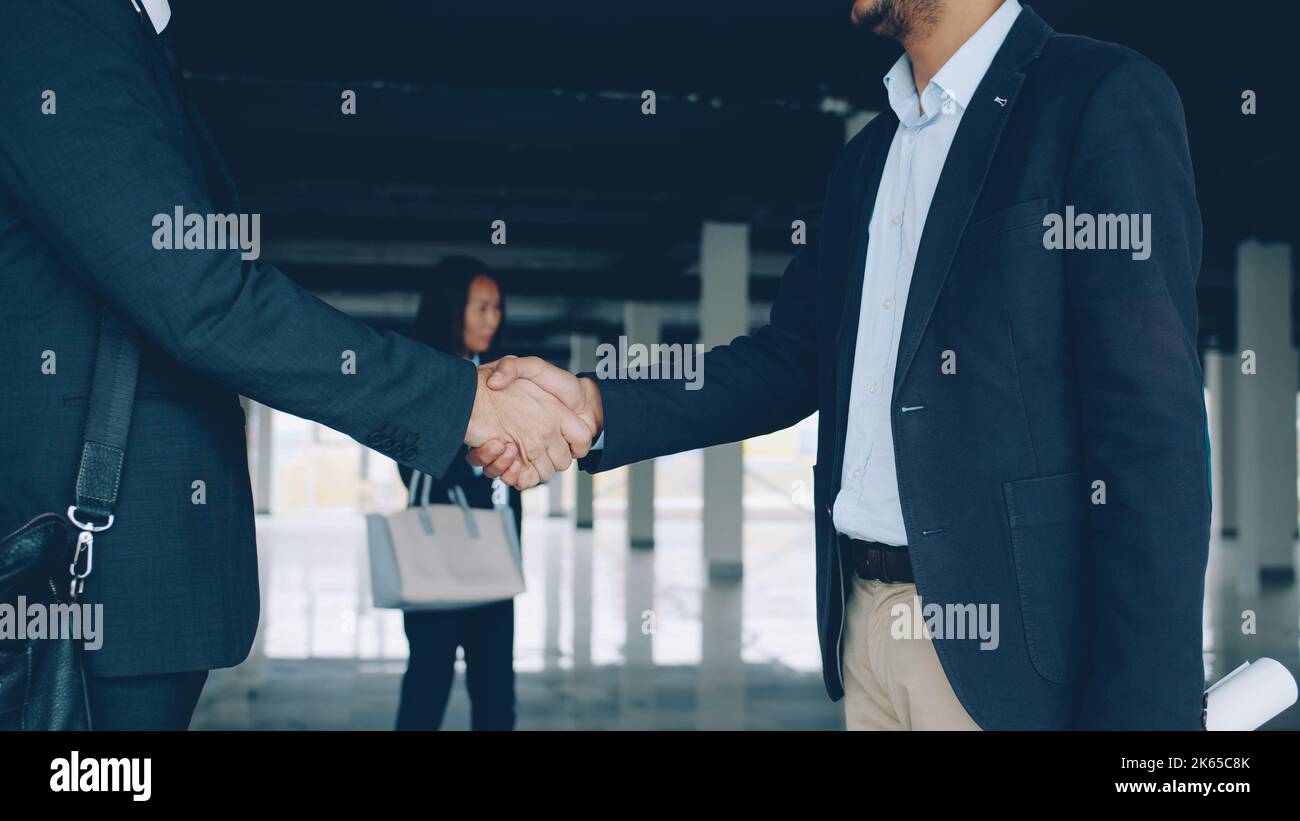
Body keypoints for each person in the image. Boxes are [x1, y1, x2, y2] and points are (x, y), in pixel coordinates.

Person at [475, 0, 1210, 730]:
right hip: (863, 629)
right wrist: (594, 405)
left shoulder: (1097, 96)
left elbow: (1150, 428)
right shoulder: (868, 156)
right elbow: (791, 358)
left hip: (1013, 659)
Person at [0, 0, 588, 729]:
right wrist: (466, 402)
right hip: (94, 579)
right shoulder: (54, 19)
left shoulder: (124, 38)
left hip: (129, 589)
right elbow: (201, 295)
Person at [394, 258, 523, 731]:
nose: (494, 318)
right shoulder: (422, 379)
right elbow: (415, 465)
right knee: (427, 688)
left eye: (498, 308)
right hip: (438, 558)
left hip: (494, 559)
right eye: (482, 307)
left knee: (496, 695)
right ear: (452, 309)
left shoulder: (499, 380)